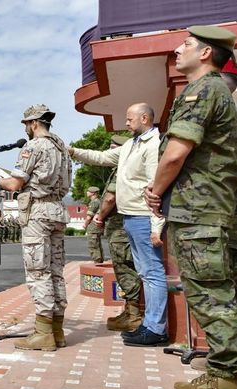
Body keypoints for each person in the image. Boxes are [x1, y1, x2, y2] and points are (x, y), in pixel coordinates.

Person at [144, 25, 237, 389]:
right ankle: (235, 373)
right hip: (221, 213)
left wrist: (155, 192)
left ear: (206, 54)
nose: (178, 48)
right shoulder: (221, 94)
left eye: (186, 44)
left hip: (201, 214)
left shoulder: (201, 91)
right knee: (231, 292)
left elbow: (175, 155)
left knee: (211, 296)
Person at [69, 103, 168, 347]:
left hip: (144, 216)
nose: (126, 123)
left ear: (145, 118)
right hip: (130, 217)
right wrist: (71, 151)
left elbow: (156, 186)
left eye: (130, 118)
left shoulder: (153, 144)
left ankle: (156, 328)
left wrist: (157, 225)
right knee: (144, 272)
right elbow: (101, 157)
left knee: (153, 273)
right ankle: (147, 324)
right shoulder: (130, 145)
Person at [188, 59, 237, 389]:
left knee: (225, 287)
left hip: (226, 213)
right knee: (233, 284)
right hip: (232, 211)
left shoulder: (225, 114)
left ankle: (233, 372)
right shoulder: (233, 115)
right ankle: (234, 365)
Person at [0, 104, 72, 351]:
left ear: (34, 123)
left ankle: (43, 333)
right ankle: (57, 330)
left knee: (38, 271)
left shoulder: (33, 146)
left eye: (26, 124)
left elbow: (15, 183)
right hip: (57, 210)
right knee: (56, 270)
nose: (25, 129)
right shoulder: (62, 148)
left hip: (38, 213)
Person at [96, 135, 145, 333]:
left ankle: (134, 315)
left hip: (121, 229)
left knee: (125, 268)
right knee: (126, 267)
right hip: (123, 227)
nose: (109, 153)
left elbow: (110, 198)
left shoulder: (122, 168)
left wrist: (100, 217)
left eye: (112, 149)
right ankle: (130, 311)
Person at [83, 186, 104, 263]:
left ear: (93, 193)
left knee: (93, 245)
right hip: (96, 228)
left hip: (93, 228)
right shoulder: (99, 201)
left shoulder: (94, 202)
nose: (87, 192)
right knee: (97, 245)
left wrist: (85, 225)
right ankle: (99, 261)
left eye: (88, 191)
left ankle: (97, 261)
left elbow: (89, 217)